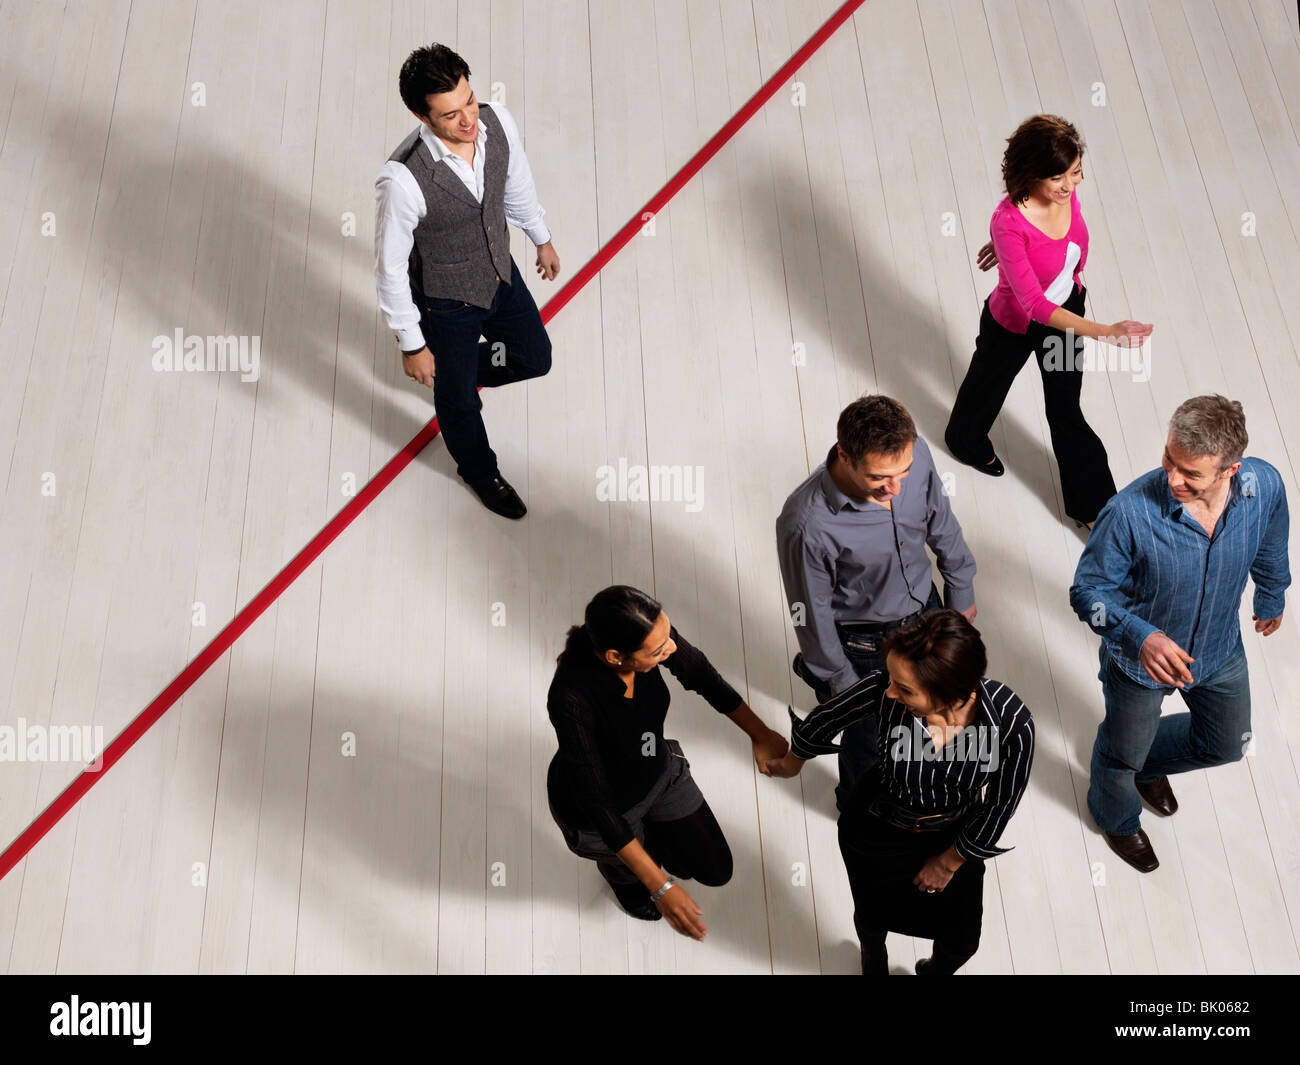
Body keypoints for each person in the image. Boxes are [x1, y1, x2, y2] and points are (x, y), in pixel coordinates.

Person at [1070, 395, 1289, 872]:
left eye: (1190, 473)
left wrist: (1272, 593)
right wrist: (1139, 636)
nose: (1172, 479)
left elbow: (1271, 539)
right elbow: (1087, 593)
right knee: (1120, 754)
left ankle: (1149, 764)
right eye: (1169, 460)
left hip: (1218, 649)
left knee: (1228, 742)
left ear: (1230, 470)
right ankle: (1115, 815)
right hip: (1137, 664)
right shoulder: (1128, 513)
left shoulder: (1264, 486)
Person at [767, 609, 1034, 975]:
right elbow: (826, 719)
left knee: (963, 940)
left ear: (950, 690)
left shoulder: (1011, 722)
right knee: (873, 915)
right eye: (892, 679)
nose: (890, 690)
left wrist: (948, 862)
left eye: (905, 688)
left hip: (955, 835)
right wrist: (791, 763)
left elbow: (1000, 806)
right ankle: (873, 956)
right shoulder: (885, 691)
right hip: (877, 828)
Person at [374, 43, 559, 519]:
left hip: (500, 272)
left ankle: (451, 376)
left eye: (470, 100)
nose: (469, 120)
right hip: (445, 300)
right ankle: (479, 471)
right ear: (422, 114)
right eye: (451, 113)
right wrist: (413, 344)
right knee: (459, 405)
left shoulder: (497, 121)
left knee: (535, 357)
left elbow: (514, 183)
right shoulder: (402, 180)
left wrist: (540, 237)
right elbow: (390, 269)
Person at [546, 586, 789, 939]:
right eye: (659, 650)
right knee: (635, 876)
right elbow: (599, 804)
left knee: (716, 870)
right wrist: (661, 888)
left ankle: (651, 839)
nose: (671, 648)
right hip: (601, 813)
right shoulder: (570, 697)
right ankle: (622, 879)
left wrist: (760, 733)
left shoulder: (648, 634)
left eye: (668, 635)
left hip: (658, 772)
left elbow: (700, 674)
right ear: (616, 656)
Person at [946, 114, 1153, 528]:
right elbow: (1036, 306)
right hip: (1015, 323)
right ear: (1031, 173)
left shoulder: (1064, 196)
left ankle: (1096, 511)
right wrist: (1106, 332)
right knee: (987, 385)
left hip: (1068, 311)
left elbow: (1058, 248)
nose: (1070, 185)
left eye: (1076, 172)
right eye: (1058, 177)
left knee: (1065, 409)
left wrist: (1013, 252)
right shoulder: (1008, 221)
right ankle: (964, 441)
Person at [776, 394, 977, 811]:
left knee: (931, 704)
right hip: (867, 643)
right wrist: (842, 683)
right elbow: (810, 616)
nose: (895, 488)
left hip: (930, 611)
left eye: (902, 472)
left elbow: (942, 522)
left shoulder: (914, 453)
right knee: (869, 736)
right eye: (879, 479)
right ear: (845, 456)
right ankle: (857, 806)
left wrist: (961, 591)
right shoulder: (804, 524)